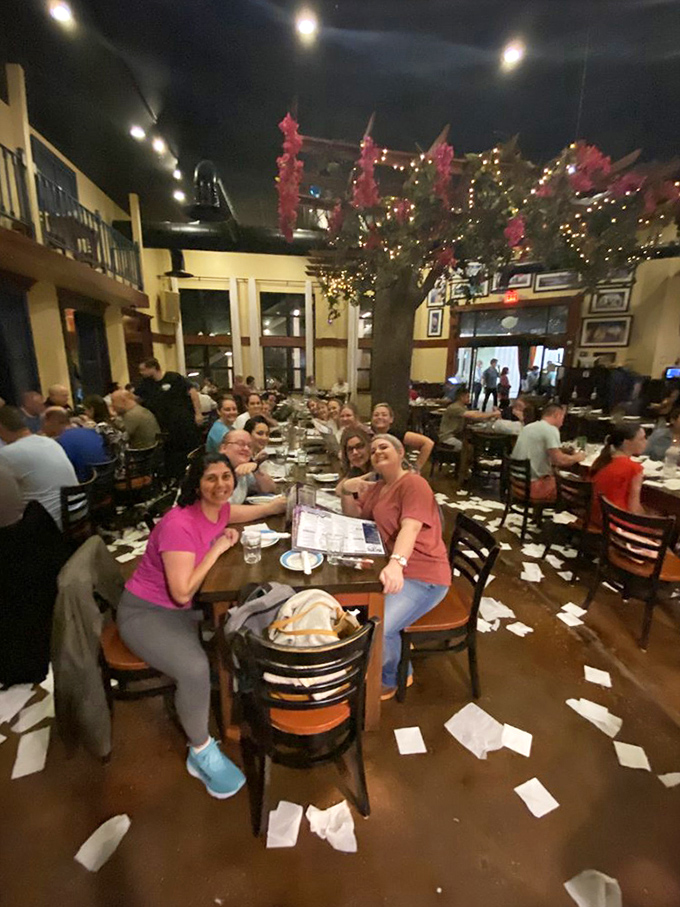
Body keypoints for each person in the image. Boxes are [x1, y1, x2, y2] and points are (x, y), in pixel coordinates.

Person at [117, 452, 273, 799]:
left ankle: (233, 690)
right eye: (211, 478)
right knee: (194, 669)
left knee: (241, 621)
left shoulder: (219, 509)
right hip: (145, 613)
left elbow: (247, 512)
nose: (221, 485)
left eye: (226, 477)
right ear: (197, 484)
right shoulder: (179, 524)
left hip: (181, 611)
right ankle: (200, 750)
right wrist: (217, 549)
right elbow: (182, 591)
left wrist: (279, 505)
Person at [340, 434, 451, 700]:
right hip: (394, 567)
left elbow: (410, 527)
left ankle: (393, 676)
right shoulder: (379, 487)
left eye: (384, 447)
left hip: (425, 576)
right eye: (373, 449)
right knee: (354, 609)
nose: (377, 451)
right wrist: (345, 489)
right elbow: (354, 517)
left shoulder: (414, 483)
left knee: (381, 626)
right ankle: (384, 654)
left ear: (401, 453)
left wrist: (396, 564)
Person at [0, 406, 77, 528]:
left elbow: (7, 503)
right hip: (76, 512)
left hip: (48, 525)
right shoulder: (50, 442)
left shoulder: (6, 455)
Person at [136, 358, 202, 479]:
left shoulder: (174, 378)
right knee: (171, 455)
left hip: (184, 422)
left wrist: (198, 413)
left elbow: (192, 392)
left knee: (189, 450)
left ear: (153, 368)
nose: (141, 373)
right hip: (165, 427)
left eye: (143, 370)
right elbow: (136, 399)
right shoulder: (145, 384)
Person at [511, 403, 585, 501]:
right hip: (533, 487)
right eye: (562, 417)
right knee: (578, 490)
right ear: (557, 415)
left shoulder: (528, 427)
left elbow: (541, 449)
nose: (562, 422)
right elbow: (559, 461)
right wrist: (577, 457)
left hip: (516, 484)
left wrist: (565, 452)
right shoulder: (551, 429)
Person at [590, 425, 647, 527]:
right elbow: (634, 508)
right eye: (641, 439)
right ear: (627, 442)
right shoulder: (634, 468)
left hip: (595, 516)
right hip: (615, 522)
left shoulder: (602, 460)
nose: (646, 442)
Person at [42, 407, 107, 481]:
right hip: (105, 480)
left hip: (83, 483)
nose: (43, 427)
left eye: (44, 423)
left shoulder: (60, 443)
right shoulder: (91, 432)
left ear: (53, 422)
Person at [219, 429, 280, 505]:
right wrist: (270, 508)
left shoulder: (243, 469)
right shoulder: (215, 471)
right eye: (240, 444)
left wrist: (256, 470)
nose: (246, 448)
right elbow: (221, 509)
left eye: (250, 446)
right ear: (223, 448)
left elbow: (269, 489)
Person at [370, 403, 434, 471]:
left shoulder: (397, 434)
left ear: (391, 419)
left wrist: (416, 468)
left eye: (384, 415)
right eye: (376, 415)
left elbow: (428, 443)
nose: (379, 417)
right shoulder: (369, 435)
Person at [82, 395, 127, 462]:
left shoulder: (100, 427)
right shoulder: (113, 422)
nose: (85, 413)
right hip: (122, 460)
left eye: (85, 409)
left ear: (91, 410)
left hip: (113, 463)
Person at [335, 427, 373, 497]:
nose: (355, 452)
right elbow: (339, 490)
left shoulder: (379, 469)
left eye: (359, 447)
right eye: (350, 449)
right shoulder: (356, 470)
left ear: (369, 447)